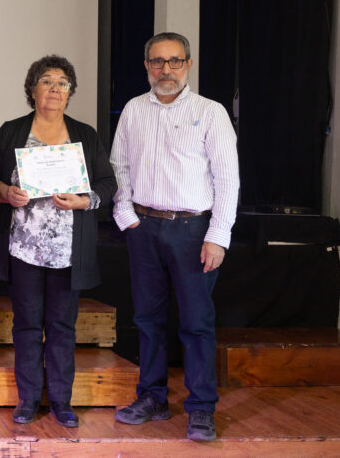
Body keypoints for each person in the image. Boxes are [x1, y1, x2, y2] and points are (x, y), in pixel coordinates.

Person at [109, 32, 239, 442]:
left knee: (196, 324)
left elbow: (228, 179)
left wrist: (217, 236)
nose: (166, 69)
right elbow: (120, 167)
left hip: (193, 230)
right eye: (158, 61)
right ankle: (152, 398)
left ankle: (200, 409)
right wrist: (125, 215)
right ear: (146, 65)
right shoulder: (133, 109)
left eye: (175, 61)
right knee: (147, 320)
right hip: (143, 228)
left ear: (189, 65)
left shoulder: (211, 112)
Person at [0, 55, 116, 428]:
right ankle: (28, 400)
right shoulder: (12, 131)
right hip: (23, 248)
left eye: (63, 83)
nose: (55, 88)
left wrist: (84, 200)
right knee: (27, 325)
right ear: (32, 89)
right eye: (47, 81)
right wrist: (6, 191)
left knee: (62, 326)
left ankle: (60, 400)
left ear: (70, 92)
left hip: (67, 251)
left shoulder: (85, 135)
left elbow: (108, 185)